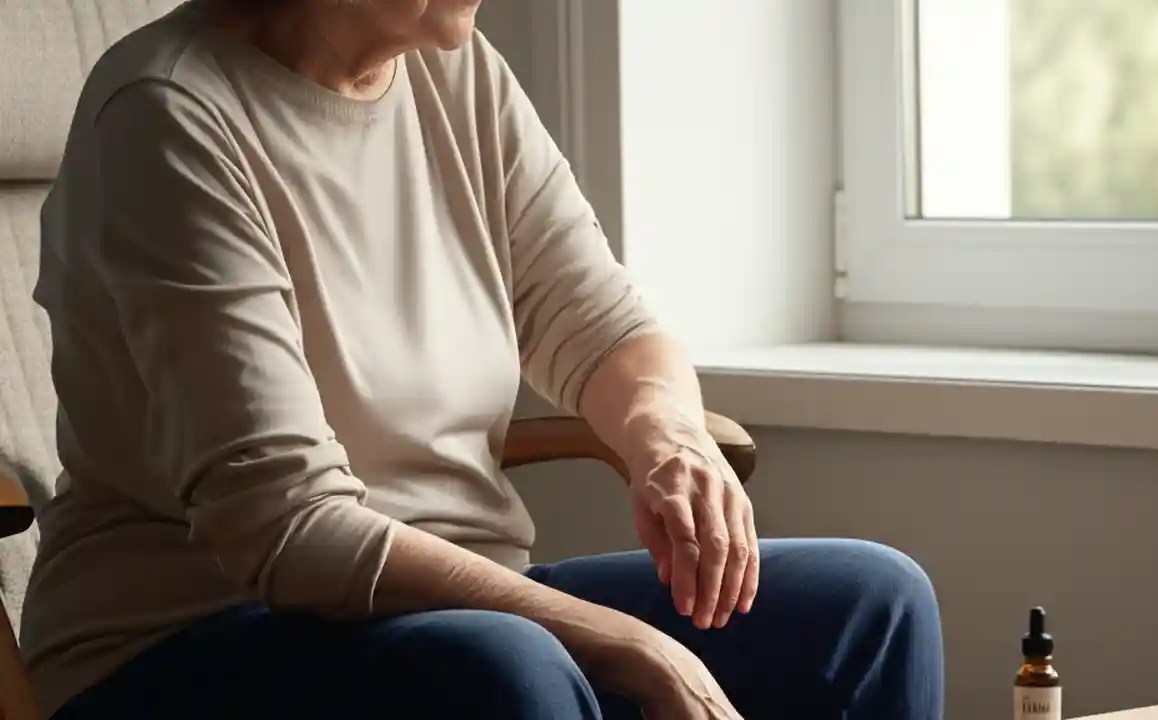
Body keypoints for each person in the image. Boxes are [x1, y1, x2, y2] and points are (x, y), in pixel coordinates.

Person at [23, 0, 944, 718]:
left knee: (870, 604)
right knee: (513, 667)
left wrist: (668, 439)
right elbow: (289, 530)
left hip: (457, 617)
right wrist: (621, 640)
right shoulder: (168, 118)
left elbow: (602, 322)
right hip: (188, 643)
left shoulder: (454, 74)